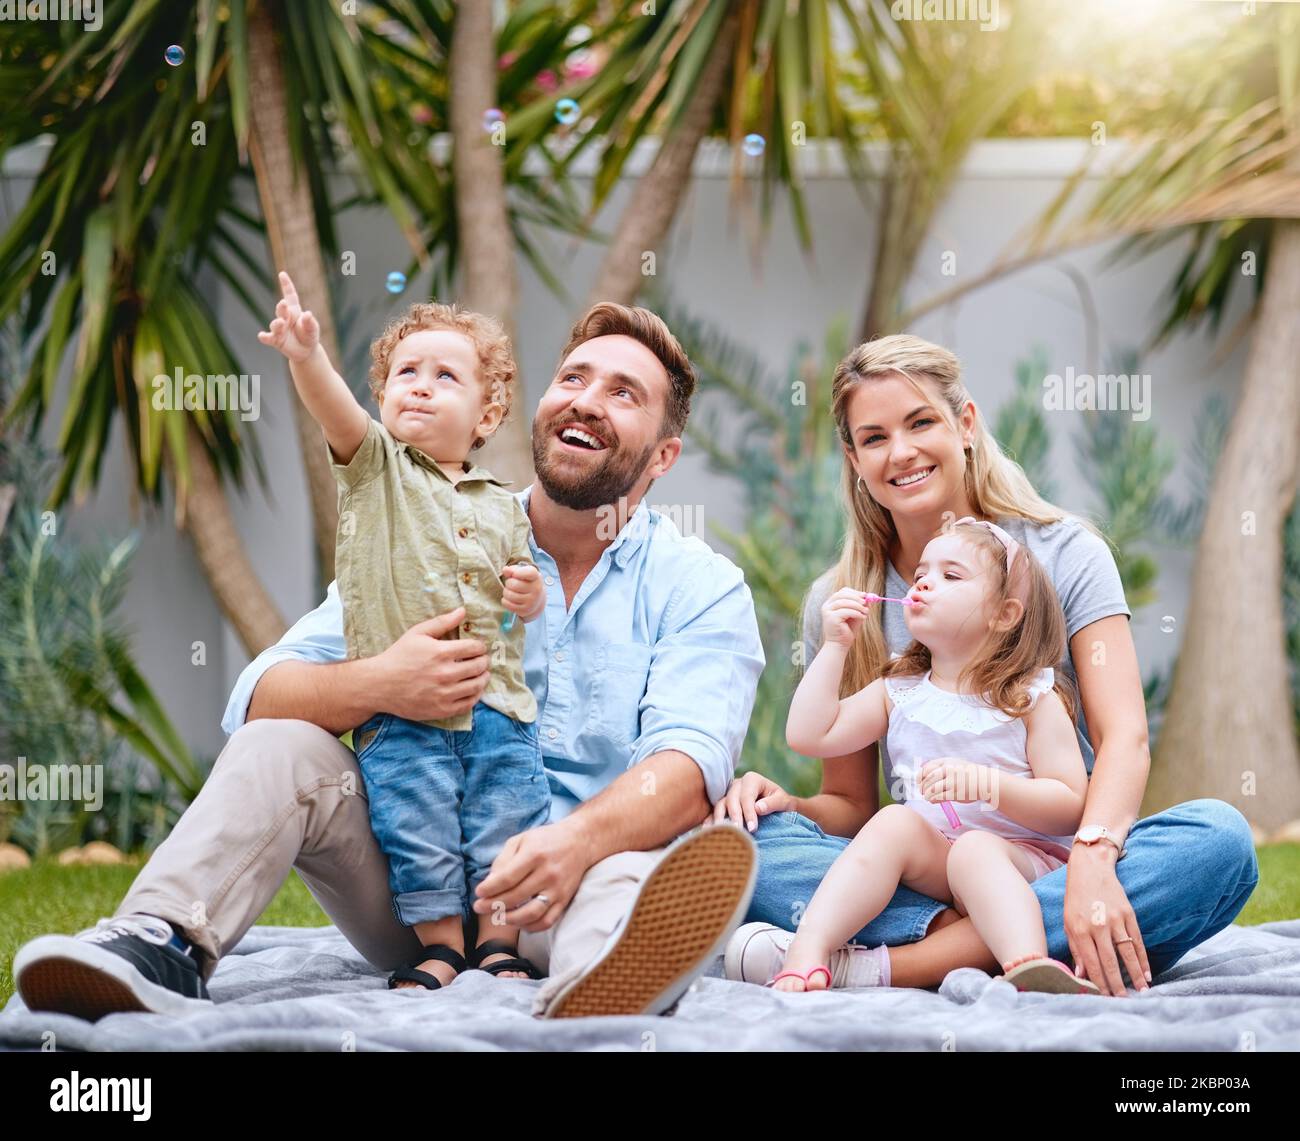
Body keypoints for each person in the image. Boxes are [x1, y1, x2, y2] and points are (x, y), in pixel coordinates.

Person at [13, 302, 765, 1021]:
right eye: (572, 378)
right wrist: (384, 682)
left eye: (622, 392)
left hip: (563, 889)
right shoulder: (430, 532)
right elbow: (257, 697)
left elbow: (687, 768)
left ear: (664, 455)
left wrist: (568, 844)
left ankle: (598, 986)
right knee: (281, 742)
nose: (585, 400)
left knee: (632, 877)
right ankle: (157, 941)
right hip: (411, 884)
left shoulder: (699, 586)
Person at [720, 334, 1258, 997]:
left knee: (1219, 842)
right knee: (755, 848)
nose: (903, 451)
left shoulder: (1066, 554)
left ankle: (889, 961)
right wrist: (785, 803)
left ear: (966, 423)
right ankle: (1007, 945)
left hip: (1048, 852)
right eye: (875, 436)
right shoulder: (848, 602)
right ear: (854, 458)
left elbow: (1125, 738)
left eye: (921, 422)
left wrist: (1092, 862)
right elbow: (854, 807)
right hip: (928, 858)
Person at [257, 273, 549, 988]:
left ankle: (501, 940)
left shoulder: (506, 504)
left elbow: (518, 596)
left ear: (487, 414)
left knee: (507, 822)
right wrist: (305, 358)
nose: (418, 386)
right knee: (416, 827)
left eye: (445, 376)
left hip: (500, 711)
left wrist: (528, 593)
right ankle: (443, 944)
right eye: (403, 374)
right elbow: (337, 412)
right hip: (403, 717)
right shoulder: (377, 468)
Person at [770, 519, 1097, 995]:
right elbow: (809, 734)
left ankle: (1029, 966)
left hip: (1024, 862)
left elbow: (1070, 802)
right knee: (889, 825)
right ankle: (808, 951)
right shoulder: (899, 692)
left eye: (951, 575)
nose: (924, 581)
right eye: (922, 572)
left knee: (975, 849)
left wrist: (990, 786)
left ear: (1004, 615)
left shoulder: (1031, 697)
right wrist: (837, 647)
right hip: (938, 863)